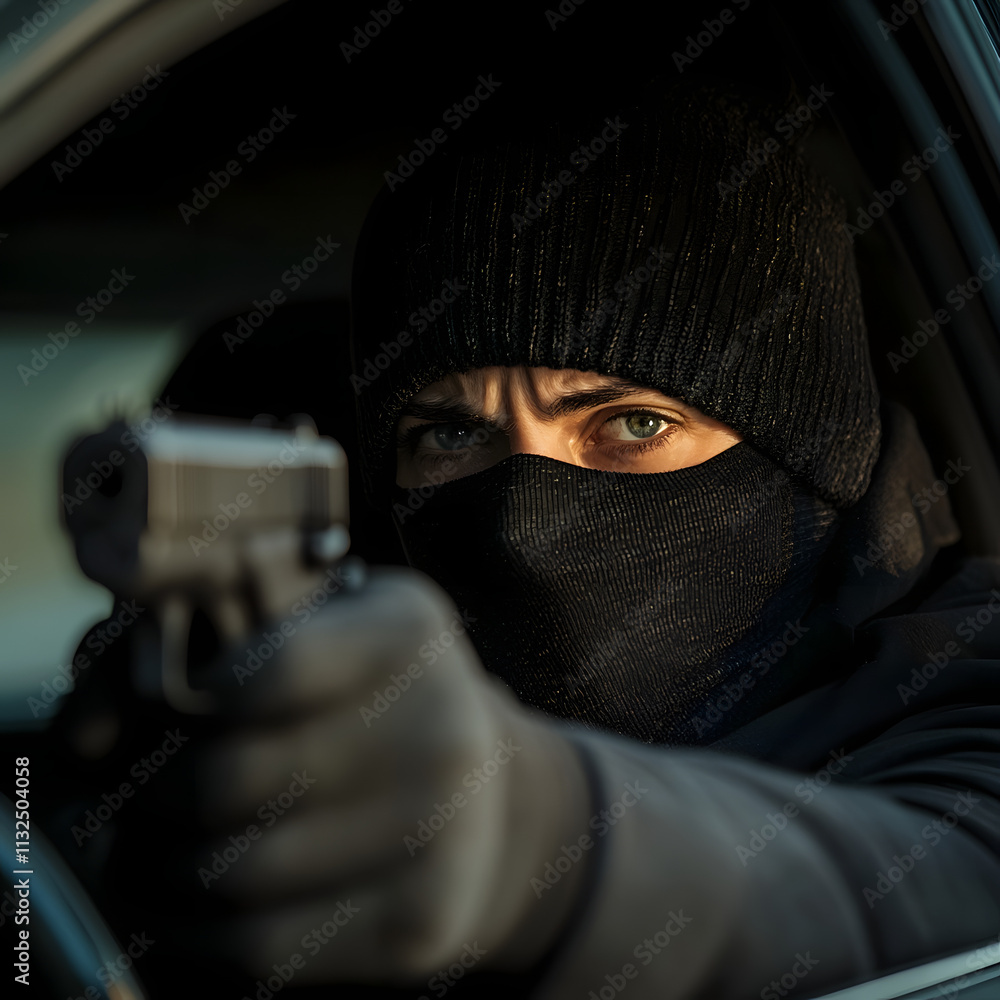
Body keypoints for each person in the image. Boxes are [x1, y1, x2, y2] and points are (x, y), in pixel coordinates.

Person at [54, 80, 1000, 999]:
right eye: (453, 435)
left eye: (633, 423)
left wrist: (530, 839)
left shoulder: (963, 675)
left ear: (811, 448)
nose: (520, 525)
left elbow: (949, 883)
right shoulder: (349, 687)